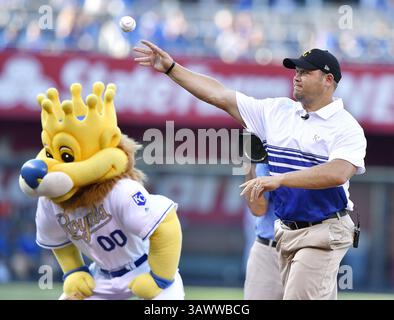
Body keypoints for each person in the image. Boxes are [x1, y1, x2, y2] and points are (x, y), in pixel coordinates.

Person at [133, 42, 367, 299]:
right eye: (296, 71)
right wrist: (172, 69)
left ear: (328, 79)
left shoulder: (346, 126)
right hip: (284, 232)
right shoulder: (277, 111)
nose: (297, 77)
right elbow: (219, 95)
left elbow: (338, 173)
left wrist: (279, 180)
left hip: (324, 229)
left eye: (305, 72)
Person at [19, 82, 184, 300]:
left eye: (67, 156)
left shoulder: (121, 191)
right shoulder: (50, 200)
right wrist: (74, 271)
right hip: (102, 277)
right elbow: (58, 241)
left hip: (146, 267)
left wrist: (160, 277)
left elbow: (166, 226)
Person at [242, 143, 283, 300]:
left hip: (306, 248)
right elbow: (258, 209)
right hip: (268, 248)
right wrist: (249, 163)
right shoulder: (263, 156)